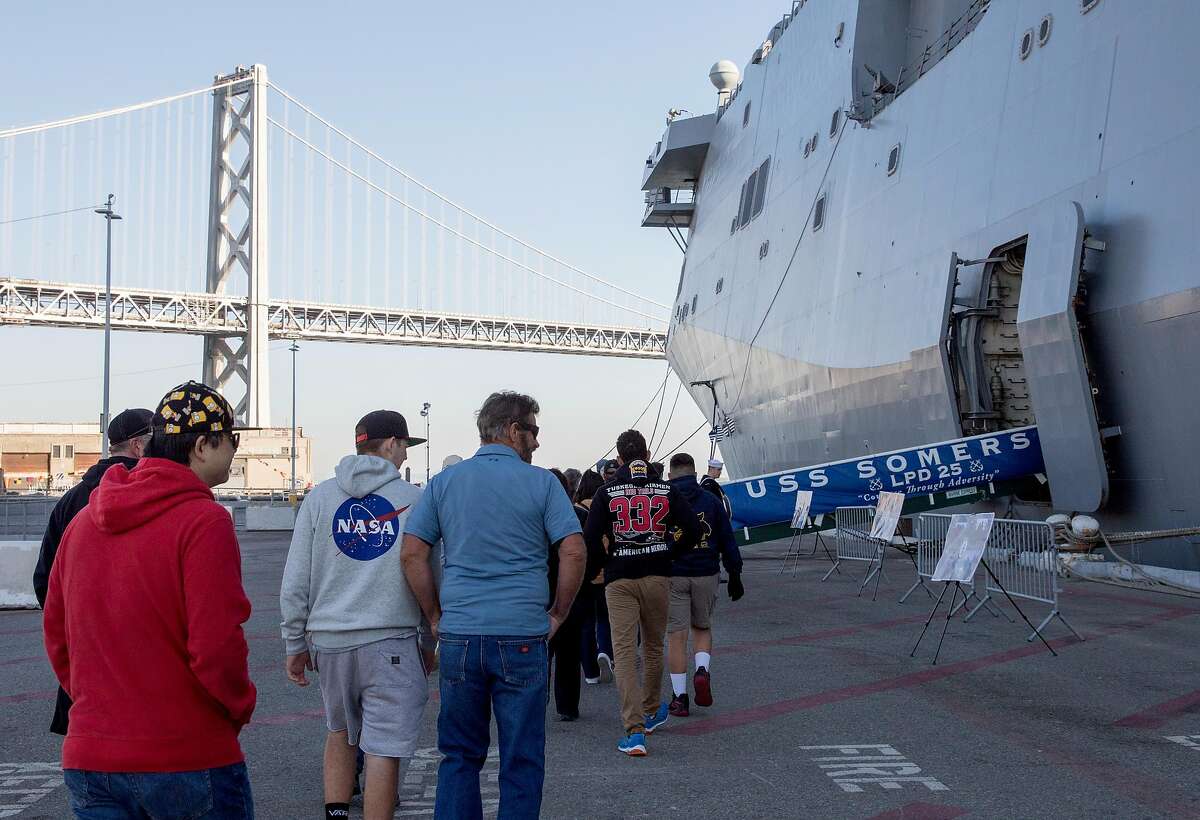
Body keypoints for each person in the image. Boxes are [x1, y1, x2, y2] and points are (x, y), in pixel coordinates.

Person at [42, 380, 256, 818]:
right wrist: (235, 709)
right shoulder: (205, 522)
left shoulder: (83, 522)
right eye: (231, 441)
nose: (235, 452)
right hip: (188, 755)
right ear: (202, 445)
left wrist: (90, 703)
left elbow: (57, 632)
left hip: (90, 757)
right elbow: (216, 644)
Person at [401, 391, 586, 819]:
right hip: (522, 633)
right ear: (511, 429)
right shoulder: (541, 483)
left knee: (460, 756)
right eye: (534, 432)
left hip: (461, 635)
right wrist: (557, 612)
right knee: (522, 758)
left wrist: (435, 617)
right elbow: (574, 551)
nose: (538, 443)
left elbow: (412, 553)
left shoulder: (444, 483)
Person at [280, 410, 435, 820]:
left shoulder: (320, 497)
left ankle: (336, 814)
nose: (404, 457)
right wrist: (430, 636)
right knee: (384, 746)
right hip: (391, 641)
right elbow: (428, 576)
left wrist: (295, 642)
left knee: (341, 731)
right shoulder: (413, 500)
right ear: (389, 444)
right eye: (403, 446)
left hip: (329, 642)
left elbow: (296, 577)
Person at [32, 407, 153, 736]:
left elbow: (44, 579)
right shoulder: (154, 497)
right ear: (139, 447)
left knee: (89, 762)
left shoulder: (70, 501)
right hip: (143, 662)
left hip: (83, 656)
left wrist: (73, 628)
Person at [584, 430, 702, 756]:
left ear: (619, 458)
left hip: (619, 577)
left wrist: (600, 565)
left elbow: (590, 538)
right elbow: (693, 528)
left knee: (623, 652)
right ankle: (650, 711)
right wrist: (669, 551)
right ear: (647, 454)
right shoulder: (665, 489)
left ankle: (634, 730)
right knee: (653, 644)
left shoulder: (607, 493)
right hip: (657, 575)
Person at [665, 453, 744, 717]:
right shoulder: (711, 501)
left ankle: (680, 697)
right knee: (702, 627)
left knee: (677, 636)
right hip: (706, 572)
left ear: (671, 474)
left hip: (675, 573)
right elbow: (727, 540)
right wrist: (735, 574)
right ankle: (702, 670)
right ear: (694, 471)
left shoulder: (665, 500)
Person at [546, 469, 604, 721]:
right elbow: (594, 552)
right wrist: (589, 581)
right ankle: (568, 706)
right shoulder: (581, 516)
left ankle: (536, 702)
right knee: (569, 652)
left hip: (540, 593)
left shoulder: (536, 518)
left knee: (540, 653)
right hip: (575, 592)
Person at [574, 470, 614, 685]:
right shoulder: (605, 506)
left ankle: (590, 674)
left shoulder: (575, 511)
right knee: (605, 617)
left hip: (582, 573)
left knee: (585, 623)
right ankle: (606, 650)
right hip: (605, 572)